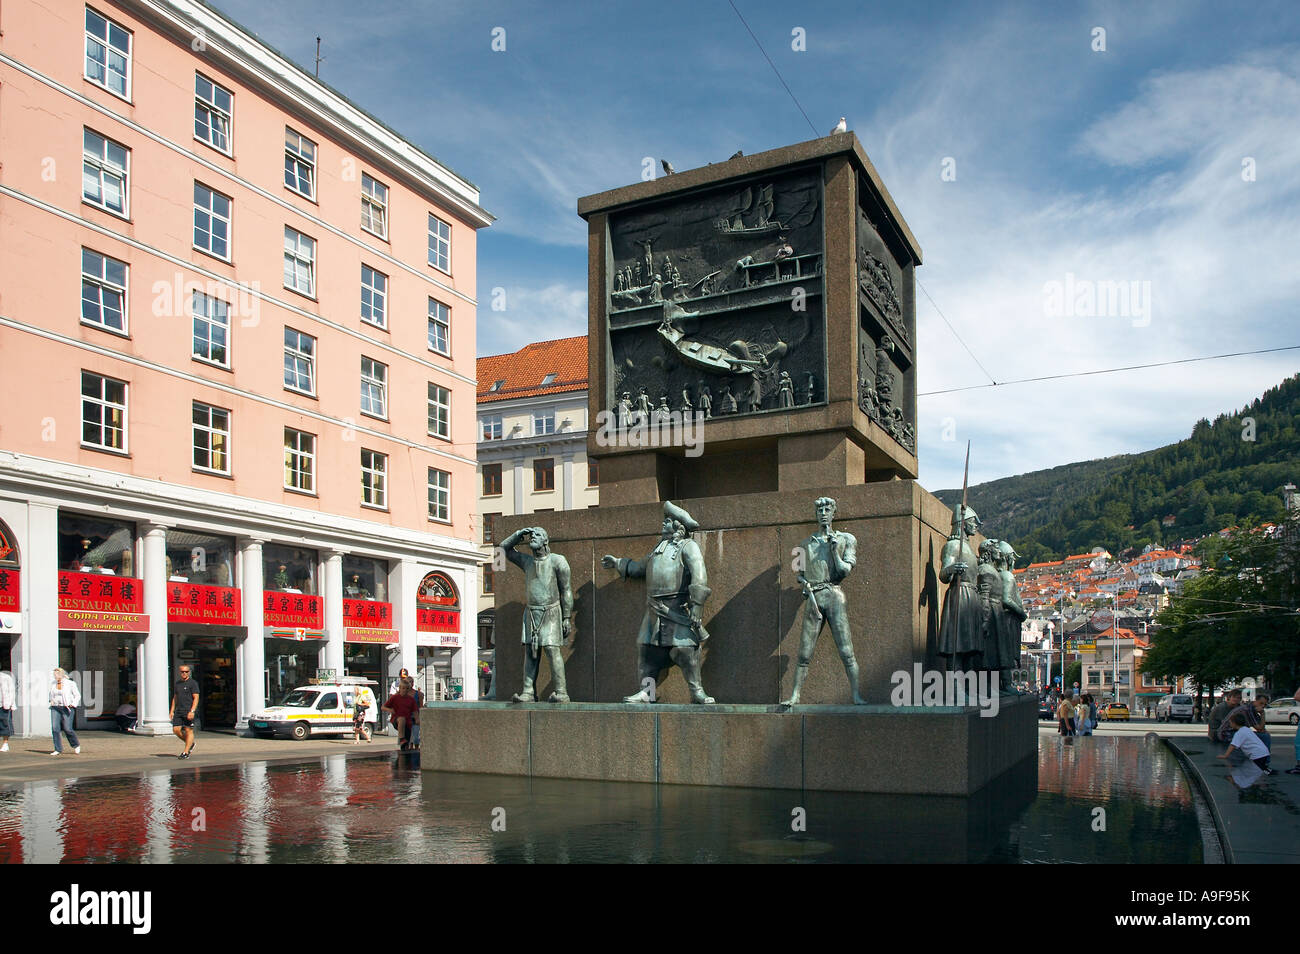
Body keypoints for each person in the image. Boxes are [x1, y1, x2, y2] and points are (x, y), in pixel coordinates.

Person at [603, 501, 714, 705]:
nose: (664, 524)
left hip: (675, 608)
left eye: (669, 521)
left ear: (679, 526)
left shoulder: (688, 547)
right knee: (646, 652)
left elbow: (700, 575)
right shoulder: (658, 548)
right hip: (653, 610)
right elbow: (639, 567)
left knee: (685, 650)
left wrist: (697, 605)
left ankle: (697, 691)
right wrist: (619, 563)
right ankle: (648, 692)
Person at [781, 497, 866, 707]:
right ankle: (795, 696)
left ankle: (857, 695)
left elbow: (845, 570)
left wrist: (834, 552)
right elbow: (798, 574)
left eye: (828, 509)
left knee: (846, 650)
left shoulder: (847, 539)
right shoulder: (803, 545)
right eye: (820, 510)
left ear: (834, 513)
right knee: (804, 652)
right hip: (814, 597)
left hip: (835, 595)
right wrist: (804, 583)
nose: (823, 513)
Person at [500, 526, 574, 704]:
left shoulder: (558, 561)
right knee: (531, 653)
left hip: (551, 611)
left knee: (551, 649)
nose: (533, 537)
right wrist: (518, 534)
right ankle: (528, 691)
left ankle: (561, 692)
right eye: (531, 535)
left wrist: (566, 617)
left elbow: (567, 590)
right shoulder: (527, 562)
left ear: (546, 540)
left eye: (538, 535)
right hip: (532, 613)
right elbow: (503, 549)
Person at [49, 668, 82, 756]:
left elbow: (77, 695)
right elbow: (51, 694)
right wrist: (51, 700)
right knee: (55, 728)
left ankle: (75, 744)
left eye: (56, 674)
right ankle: (58, 749)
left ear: (61, 675)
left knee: (67, 728)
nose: (54, 676)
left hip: (67, 707)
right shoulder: (53, 683)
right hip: (55, 707)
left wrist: (73, 704)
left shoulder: (70, 683)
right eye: (54, 675)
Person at [170, 664, 200, 759]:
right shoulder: (177, 684)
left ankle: (185, 752)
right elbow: (175, 698)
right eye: (182, 671)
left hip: (188, 710)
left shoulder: (193, 683)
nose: (184, 673)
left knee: (188, 730)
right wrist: (172, 711)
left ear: (189, 672)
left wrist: (192, 711)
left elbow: (196, 698)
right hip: (179, 710)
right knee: (176, 730)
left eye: (186, 672)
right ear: (180, 672)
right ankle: (190, 743)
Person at [382, 680, 420, 750]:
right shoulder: (395, 697)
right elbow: (383, 707)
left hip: (408, 723)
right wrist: (390, 710)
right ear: (399, 688)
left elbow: (415, 711)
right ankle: (402, 738)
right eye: (403, 688)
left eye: (407, 688)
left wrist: (417, 719)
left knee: (406, 744)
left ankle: (404, 751)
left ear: (409, 689)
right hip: (396, 720)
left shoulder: (411, 700)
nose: (405, 690)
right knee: (401, 719)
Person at [0, 668, 15, 752]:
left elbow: (11, 692)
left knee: (5, 723)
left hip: (4, 705)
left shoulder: (6, 678)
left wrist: (10, 703)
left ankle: (5, 744)